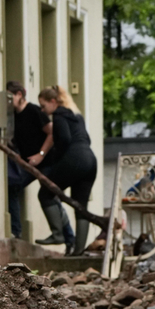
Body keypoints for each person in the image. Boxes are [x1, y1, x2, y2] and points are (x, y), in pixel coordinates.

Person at [33, 85, 98, 255]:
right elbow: (87, 139)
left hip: (74, 158)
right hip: (90, 160)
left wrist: (57, 162)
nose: (42, 110)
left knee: (45, 193)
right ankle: (79, 251)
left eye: (43, 105)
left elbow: (63, 140)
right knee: (80, 205)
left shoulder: (59, 115)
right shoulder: (76, 115)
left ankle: (57, 234)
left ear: (53, 102)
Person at [5, 81, 53, 242]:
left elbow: (51, 133)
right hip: (27, 164)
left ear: (19, 95)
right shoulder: (13, 116)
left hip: (44, 161)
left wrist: (41, 154)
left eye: (10, 97)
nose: (8, 101)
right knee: (13, 186)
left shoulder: (34, 111)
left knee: (50, 193)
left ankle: (66, 236)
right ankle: (16, 231)